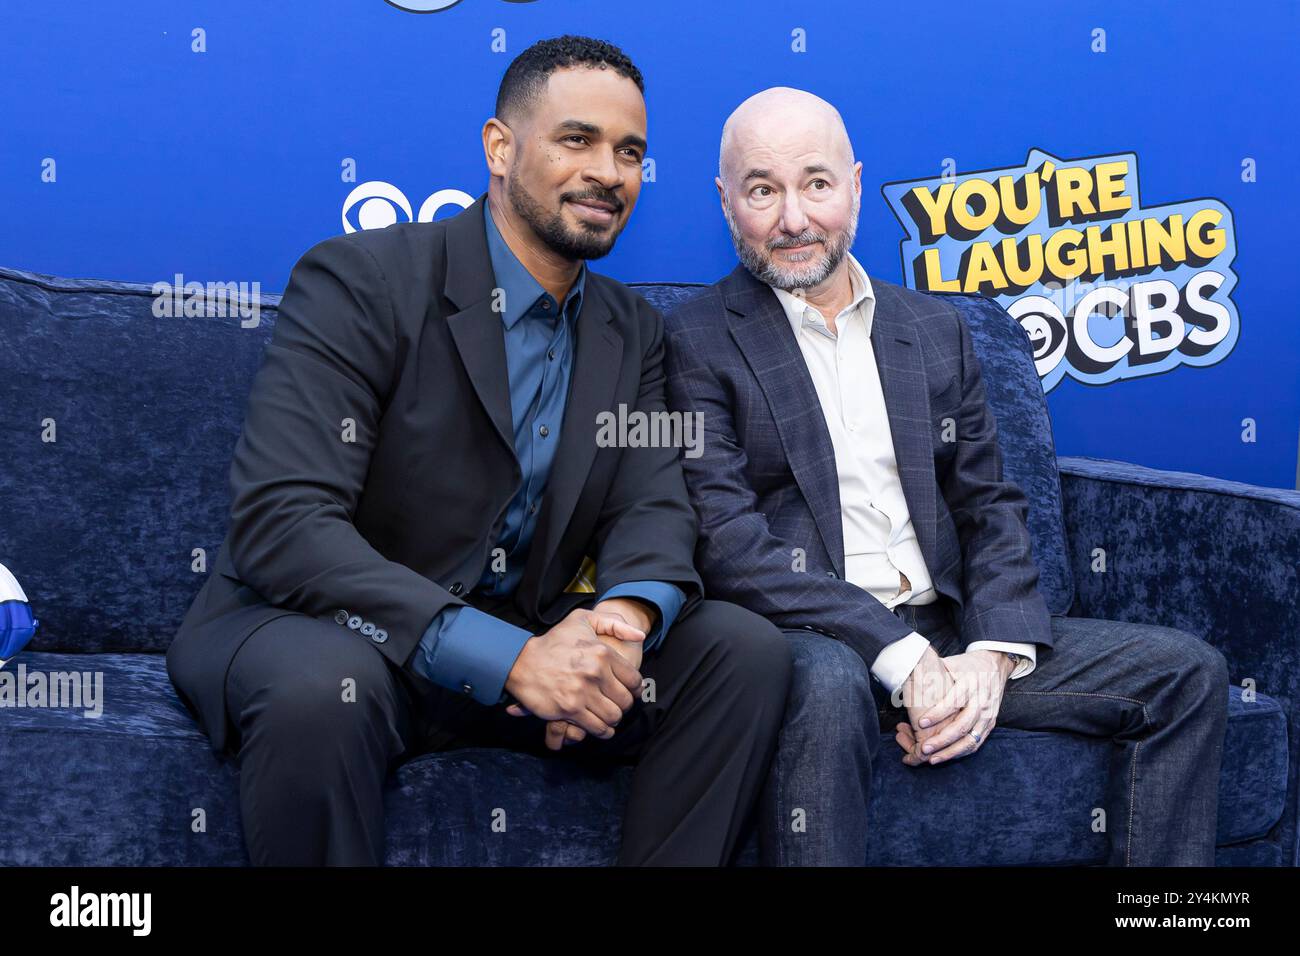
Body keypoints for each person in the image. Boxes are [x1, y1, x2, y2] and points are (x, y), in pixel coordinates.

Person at [166, 36, 792, 867]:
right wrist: (512, 661)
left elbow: (652, 500)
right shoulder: (361, 280)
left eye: (630, 151)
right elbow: (285, 525)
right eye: (578, 139)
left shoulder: (630, 328)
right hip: (333, 631)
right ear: (501, 147)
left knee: (742, 653)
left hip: (523, 637)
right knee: (319, 694)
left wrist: (617, 631)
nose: (609, 171)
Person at [662, 86, 1229, 866]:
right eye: (763, 190)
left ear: (856, 184)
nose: (793, 218)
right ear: (726, 202)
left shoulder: (934, 328)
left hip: (949, 629)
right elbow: (727, 543)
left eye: (817, 183)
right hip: (809, 638)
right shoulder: (693, 340)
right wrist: (901, 657)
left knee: (1187, 673)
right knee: (824, 684)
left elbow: (990, 504)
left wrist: (990, 657)